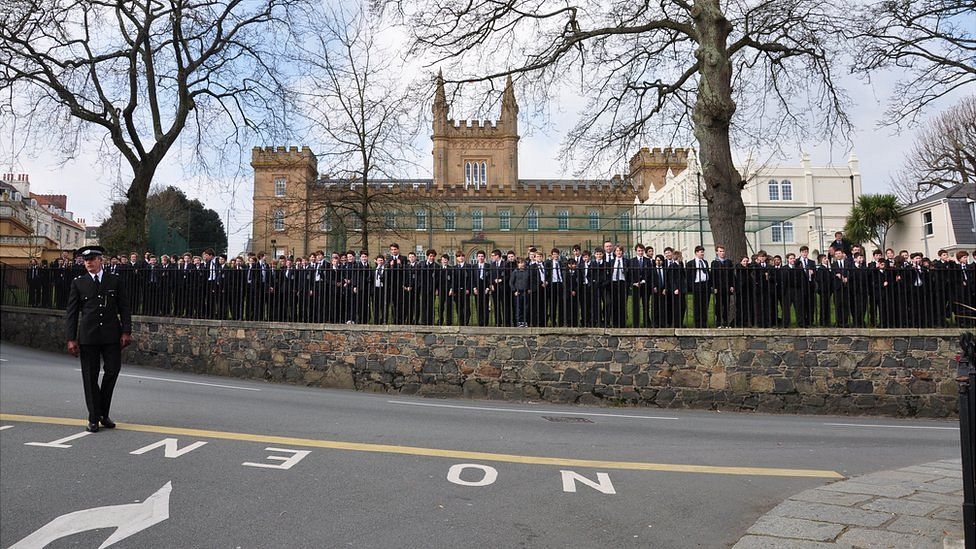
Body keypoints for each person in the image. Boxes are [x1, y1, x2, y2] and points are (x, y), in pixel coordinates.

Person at [65, 246, 132, 433]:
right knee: (89, 376)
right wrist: (71, 338)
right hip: (88, 336)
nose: (88, 263)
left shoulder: (115, 280)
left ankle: (103, 412)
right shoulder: (79, 283)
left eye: (92, 259)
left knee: (113, 370)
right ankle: (94, 417)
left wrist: (126, 331)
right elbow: (71, 313)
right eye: (85, 260)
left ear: (101, 260)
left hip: (111, 335)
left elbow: (124, 308)